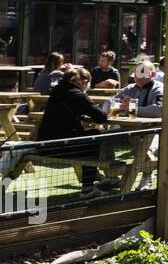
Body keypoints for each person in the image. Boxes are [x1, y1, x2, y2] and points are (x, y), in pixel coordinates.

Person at [37, 65, 114, 194]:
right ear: (84, 82)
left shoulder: (57, 90)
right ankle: (88, 188)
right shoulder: (77, 94)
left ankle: (95, 175)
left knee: (86, 137)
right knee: (93, 136)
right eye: (88, 84)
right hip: (61, 148)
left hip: (45, 146)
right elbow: (101, 117)